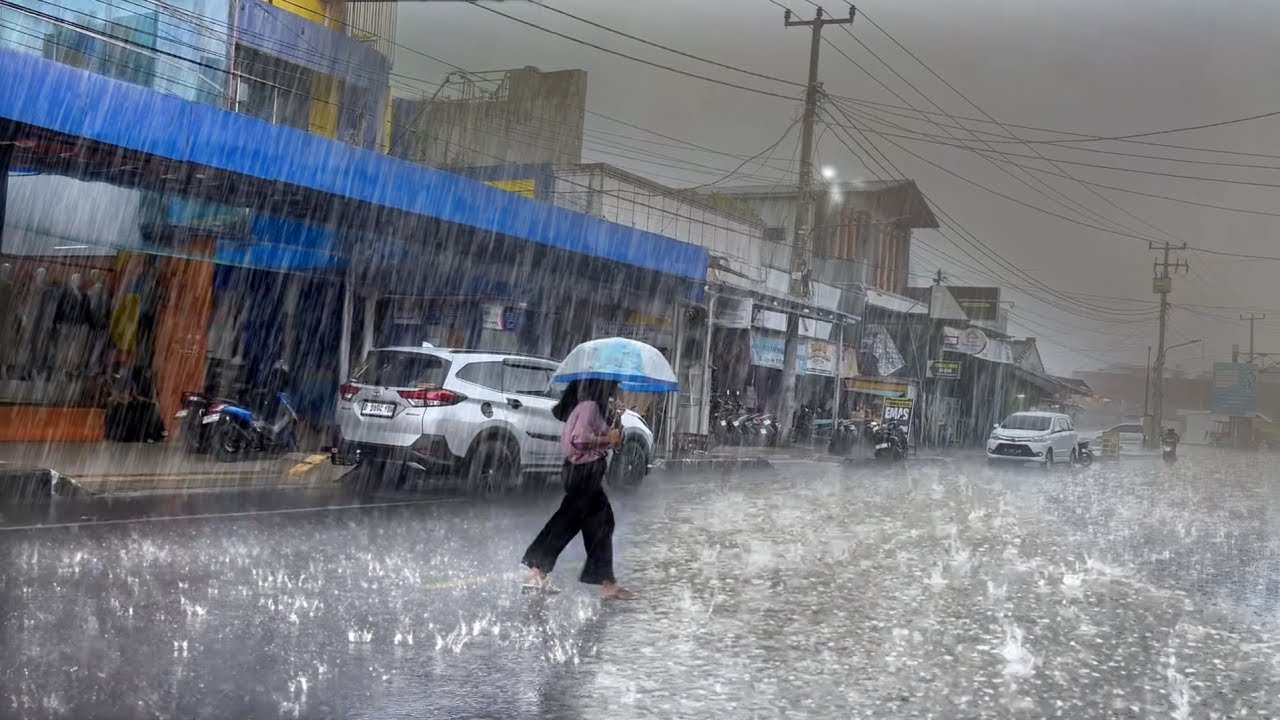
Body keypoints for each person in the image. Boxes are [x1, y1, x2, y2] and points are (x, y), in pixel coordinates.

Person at [521, 379, 636, 600]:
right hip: (584, 473)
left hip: (585, 474)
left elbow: (613, 442)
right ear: (605, 390)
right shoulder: (589, 406)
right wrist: (606, 439)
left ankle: (539, 572)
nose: (618, 394)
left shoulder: (597, 409)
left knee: (576, 522)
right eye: (615, 390)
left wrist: (617, 421)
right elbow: (579, 440)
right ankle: (604, 583)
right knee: (582, 523)